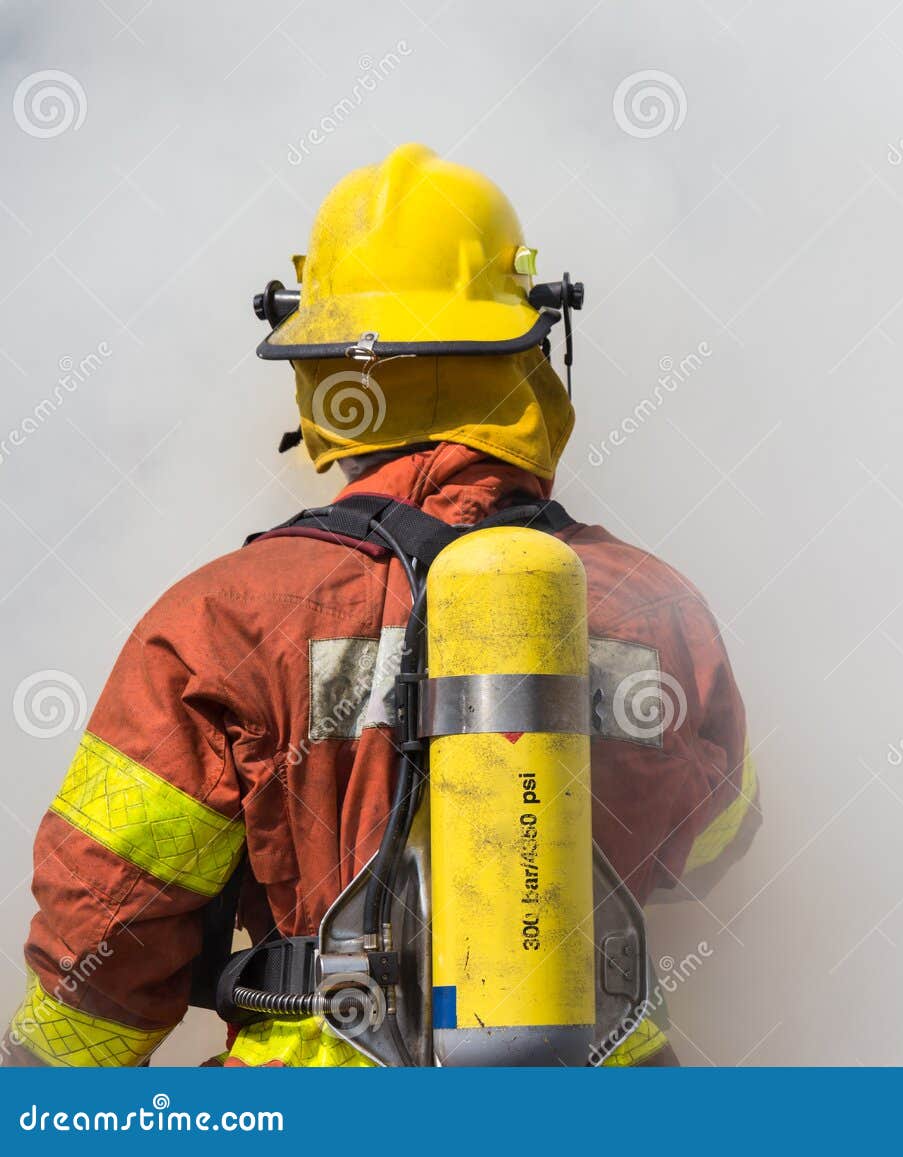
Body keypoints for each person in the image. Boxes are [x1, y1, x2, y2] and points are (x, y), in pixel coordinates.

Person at [1, 144, 756, 1068]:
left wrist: (50, 1086)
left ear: (322, 373)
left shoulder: (221, 621)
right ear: (529, 347)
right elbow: (716, 840)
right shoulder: (653, 605)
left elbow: (107, 920)